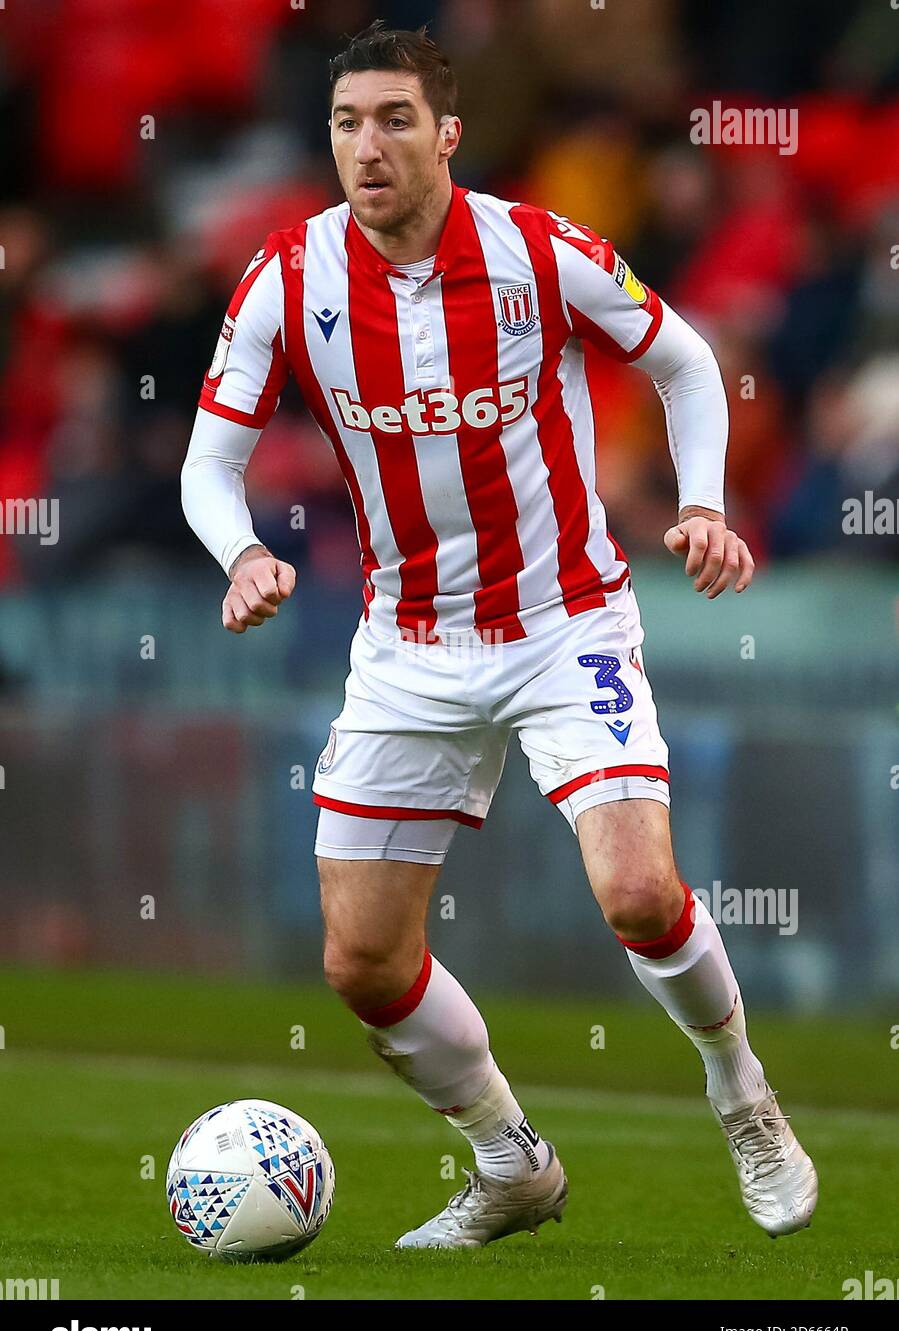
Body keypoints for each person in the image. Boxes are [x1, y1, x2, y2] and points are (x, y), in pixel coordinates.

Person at [181, 21, 817, 1249]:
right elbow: (214, 463)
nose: (367, 148)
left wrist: (698, 505)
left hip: (559, 618)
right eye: (346, 123)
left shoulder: (536, 249)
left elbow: (685, 362)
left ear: (448, 134)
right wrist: (243, 551)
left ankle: (740, 1092)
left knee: (635, 890)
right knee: (362, 965)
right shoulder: (291, 275)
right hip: (406, 645)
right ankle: (508, 1159)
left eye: (394, 120)